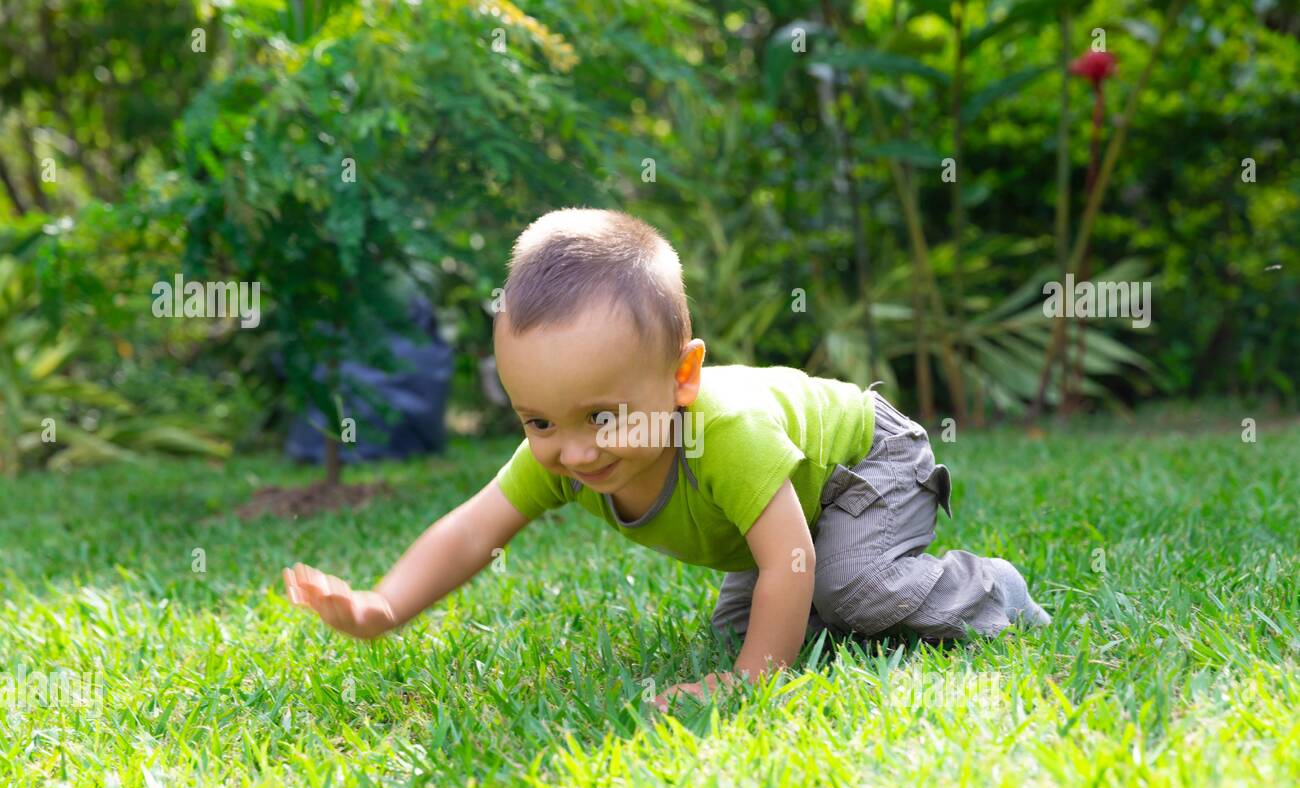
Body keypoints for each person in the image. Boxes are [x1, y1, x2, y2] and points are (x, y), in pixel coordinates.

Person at [282, 208, 1050, 712]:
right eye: (538, 419)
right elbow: (470, 531)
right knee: (745, 623)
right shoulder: (560, 450)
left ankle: (988, 590)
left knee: (845, 589)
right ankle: (838, 613)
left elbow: (788, 555)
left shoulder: (721, 432)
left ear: (682, 377)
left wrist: (752, 681)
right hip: (796, 498)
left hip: (864, 461)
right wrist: (385, 606)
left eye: (601, 417)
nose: (573, 450)